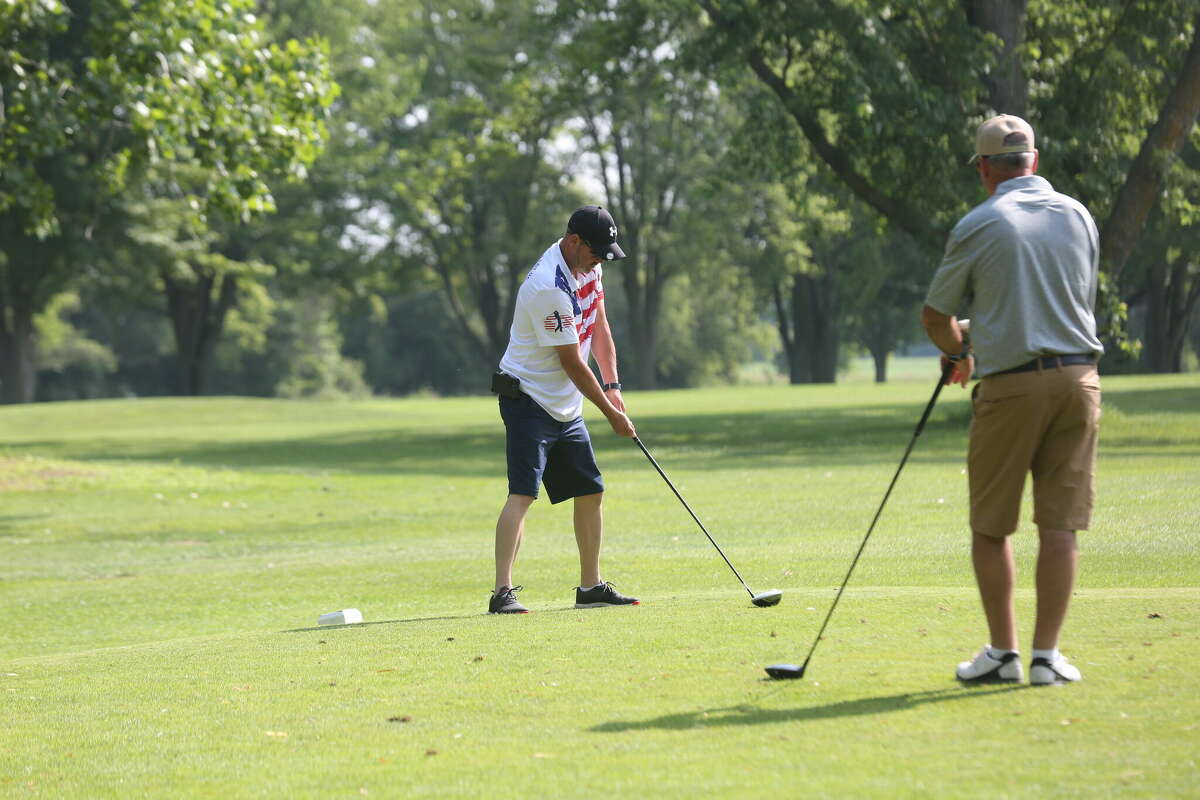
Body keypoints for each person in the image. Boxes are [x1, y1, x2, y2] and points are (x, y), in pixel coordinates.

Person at [922, 114, 1103, 685]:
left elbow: (936, 316)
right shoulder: (1078, 216)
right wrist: (976, 336)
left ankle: (1004, 653)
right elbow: (1056, 304)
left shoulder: (981, 222)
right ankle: (1047, 657)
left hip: (1011, 386)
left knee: (992, 526)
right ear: (1035, 160)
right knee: (1060, 526)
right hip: (1078, 382)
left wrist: (959, 350)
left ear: (983, 169)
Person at [488, 205, 639, 614]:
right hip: (528, 398)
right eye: (595, 251)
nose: (599, 260)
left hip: (564, 403)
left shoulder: (590, 267)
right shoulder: (548, 287)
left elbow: (600, 326)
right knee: (523, 494)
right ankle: (502, 593)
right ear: (574, 242)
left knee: (590, 490)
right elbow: (572, 362)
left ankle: (590, 588)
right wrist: (611, 414)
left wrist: (613, 385)